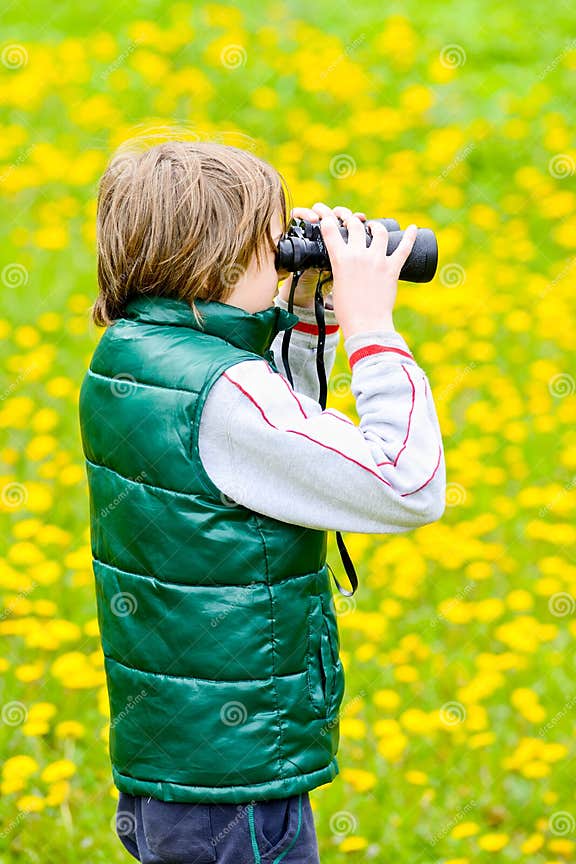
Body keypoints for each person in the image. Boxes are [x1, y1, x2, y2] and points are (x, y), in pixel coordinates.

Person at [78, 139, 446, 863]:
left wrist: (308, 316)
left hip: (180, 762)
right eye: (269, 241)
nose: (283, 256)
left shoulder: (134, 355)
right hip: (237, 786)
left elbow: (270, 463)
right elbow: (409, 485)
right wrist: (374, 329)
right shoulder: (227, 392)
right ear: (218, 260)